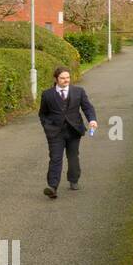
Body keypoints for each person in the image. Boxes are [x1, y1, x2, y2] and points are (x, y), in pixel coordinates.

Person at [37, 66, 97, 199]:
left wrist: (92, 120)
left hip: (74, 130)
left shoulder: (78, 92)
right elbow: (43, 114)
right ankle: (52, 187)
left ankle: (73, 180)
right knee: (55, 158)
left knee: (73, 156)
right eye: (63, 78)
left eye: (68, 78)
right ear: (56, 79)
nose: (66, 80)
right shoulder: (47, 94)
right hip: (55, 132)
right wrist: (47, 126)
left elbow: (87, 107)